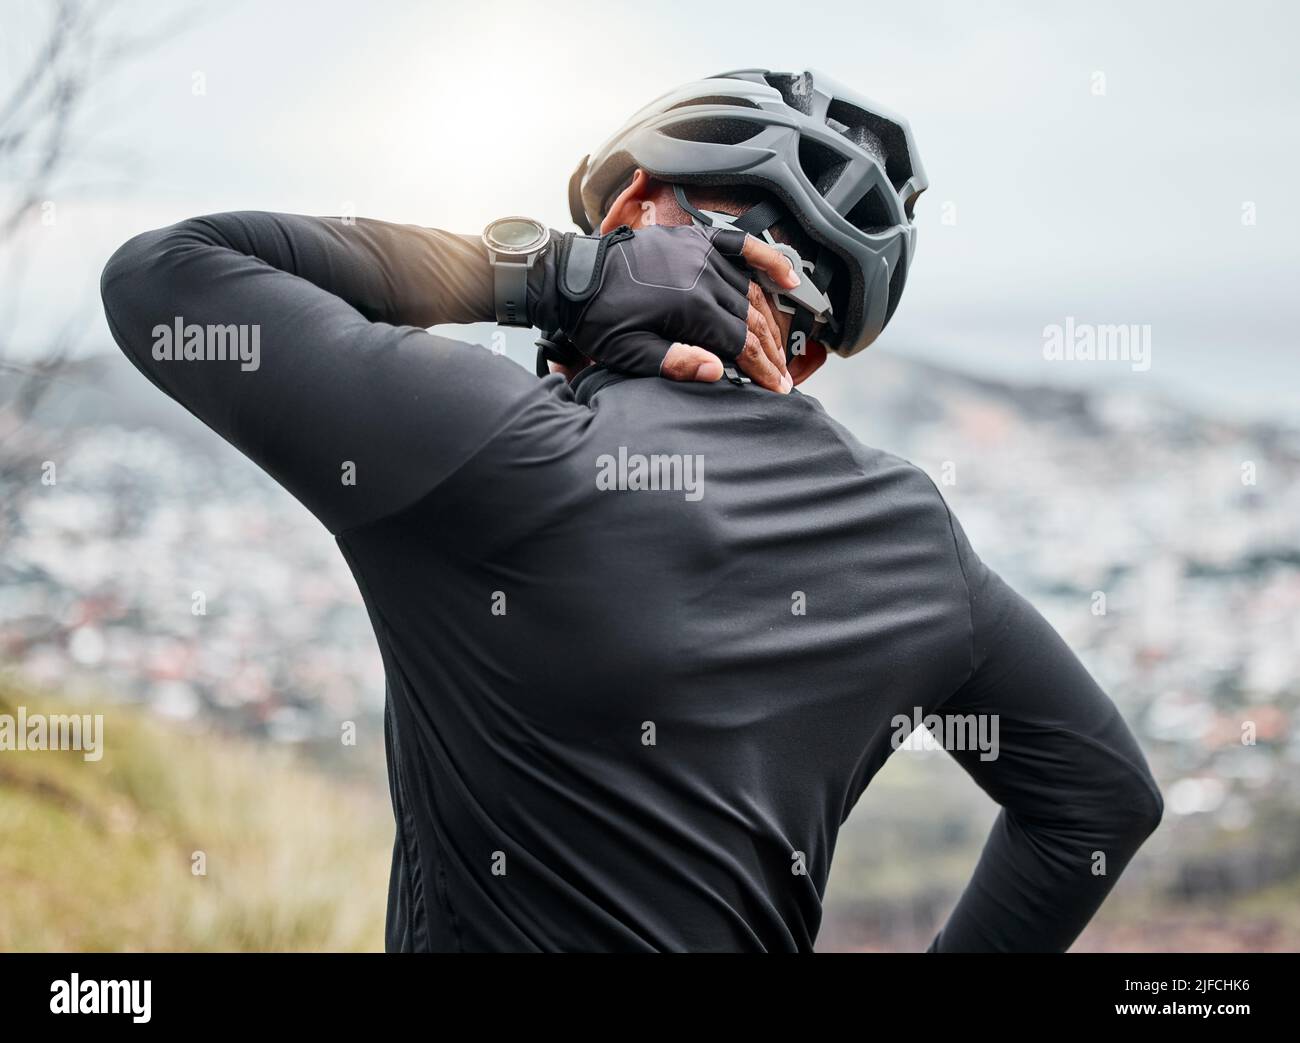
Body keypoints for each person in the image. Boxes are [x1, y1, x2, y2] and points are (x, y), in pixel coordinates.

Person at [100, 68, 1162, 952]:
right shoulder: (912, 537)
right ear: (811, 343)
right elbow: (1102, 800)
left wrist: (548, 277)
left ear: (627, 215)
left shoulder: (500, 452)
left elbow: (166, 276)